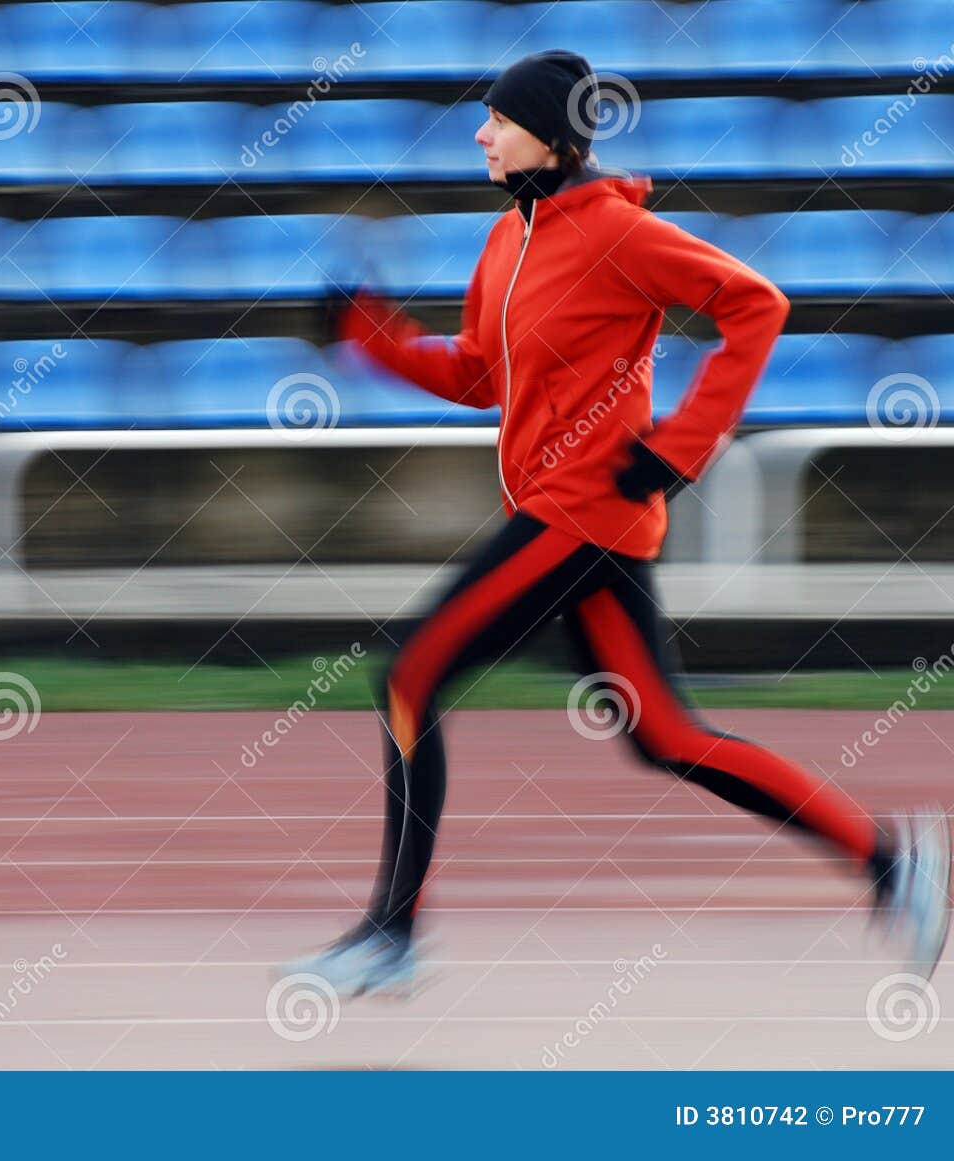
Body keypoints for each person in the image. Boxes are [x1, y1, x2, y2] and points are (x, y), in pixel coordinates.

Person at [287, 49, 950, 998]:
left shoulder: (620, 233)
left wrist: (684, 447)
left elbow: (757, 305)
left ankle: (392, 934)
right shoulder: (507, 239)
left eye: (500, 121)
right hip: (569, 517)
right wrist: (372, 335)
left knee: (409, 673)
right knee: (667, 734)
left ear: (554, 141)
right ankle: (892, 863)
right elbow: (479, 375)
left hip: (582, 511)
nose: (481, 134)